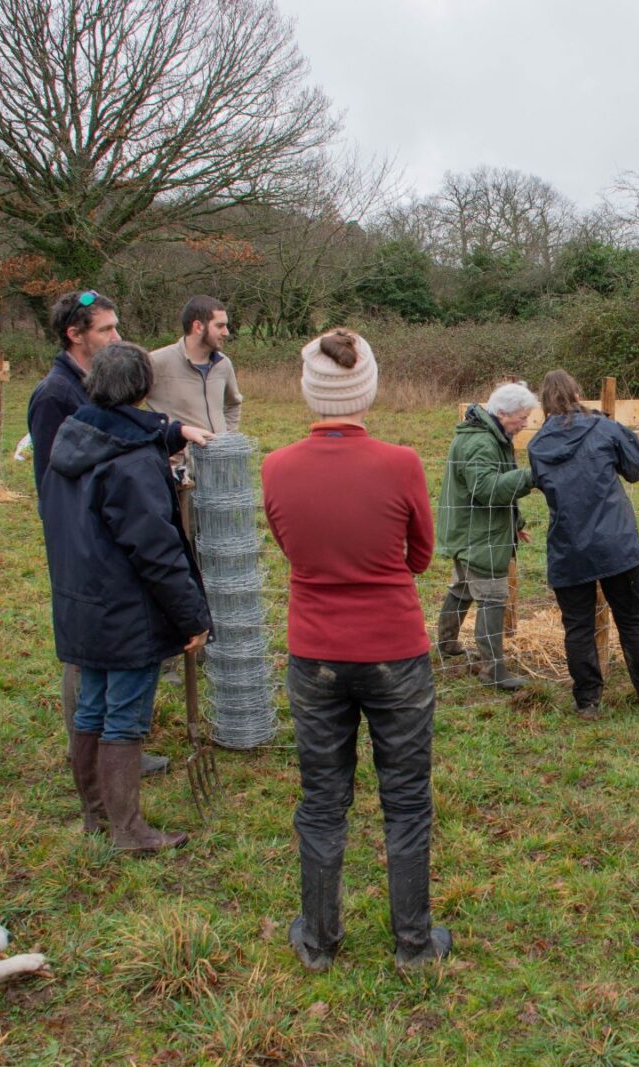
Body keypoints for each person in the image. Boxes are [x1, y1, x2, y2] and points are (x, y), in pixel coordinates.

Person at [261, 328, 450, 971]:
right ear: (366, 387)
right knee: (406, 798)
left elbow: (291, 548)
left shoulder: (276, 466)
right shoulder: (402, 463)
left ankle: (317, 940)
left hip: (314, 651)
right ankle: (414, 944)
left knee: (321, 799)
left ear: (311, 393)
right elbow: (421, 556)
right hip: (393, 650)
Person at [39, 342, 212, 854]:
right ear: (142, 390)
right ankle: (128, 830)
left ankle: (96, 816)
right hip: (127, 611)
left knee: (90, 708)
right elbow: (158, 553)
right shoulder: (131, 463)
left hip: (80, 603)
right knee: (124, 717)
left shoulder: (69, 442)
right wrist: (192, 617)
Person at [27, 290, 195, 778]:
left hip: (104, 537)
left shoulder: (91, 385)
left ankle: (107, 757)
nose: (116, 336)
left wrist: (174, 434)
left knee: (101, 649)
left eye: (116, 327)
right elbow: (56, 476)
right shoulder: (55, 394)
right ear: (74, 335)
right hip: (84, 543)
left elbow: (113, 430)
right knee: (90, 655)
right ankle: (98, 751)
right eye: (105, 329)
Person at [526, 371, 639, 719]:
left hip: (569, 545)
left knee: (578, 626)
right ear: (577, 392)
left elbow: (548, 486)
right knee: (633, 620)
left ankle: (587, 701)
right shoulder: (604, 428)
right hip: (614, 541)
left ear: (544, 402)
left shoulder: (537, 445)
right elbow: (636, 469)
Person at [435, 381, 539, 690]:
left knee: (463, 587)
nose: (525, 424)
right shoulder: (481, 443)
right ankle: (493, 668)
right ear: (503, 412)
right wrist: (532, 477)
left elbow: (496, 484)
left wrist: (515, 522)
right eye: (522, 418)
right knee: (493, 596)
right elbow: (486, 490)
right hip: (479, 533)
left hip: (474, 528)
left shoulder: (492, 435)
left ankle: (446, 643)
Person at [145, 295, 244, 438]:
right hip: (177, 460)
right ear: (198, 326)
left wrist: (227, 437)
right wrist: (158, 441)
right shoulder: (155, 362)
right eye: (220, 326)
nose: (226, 332)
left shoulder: (223, 364)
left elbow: (233, 404)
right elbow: (128, 410)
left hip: (218, 458)